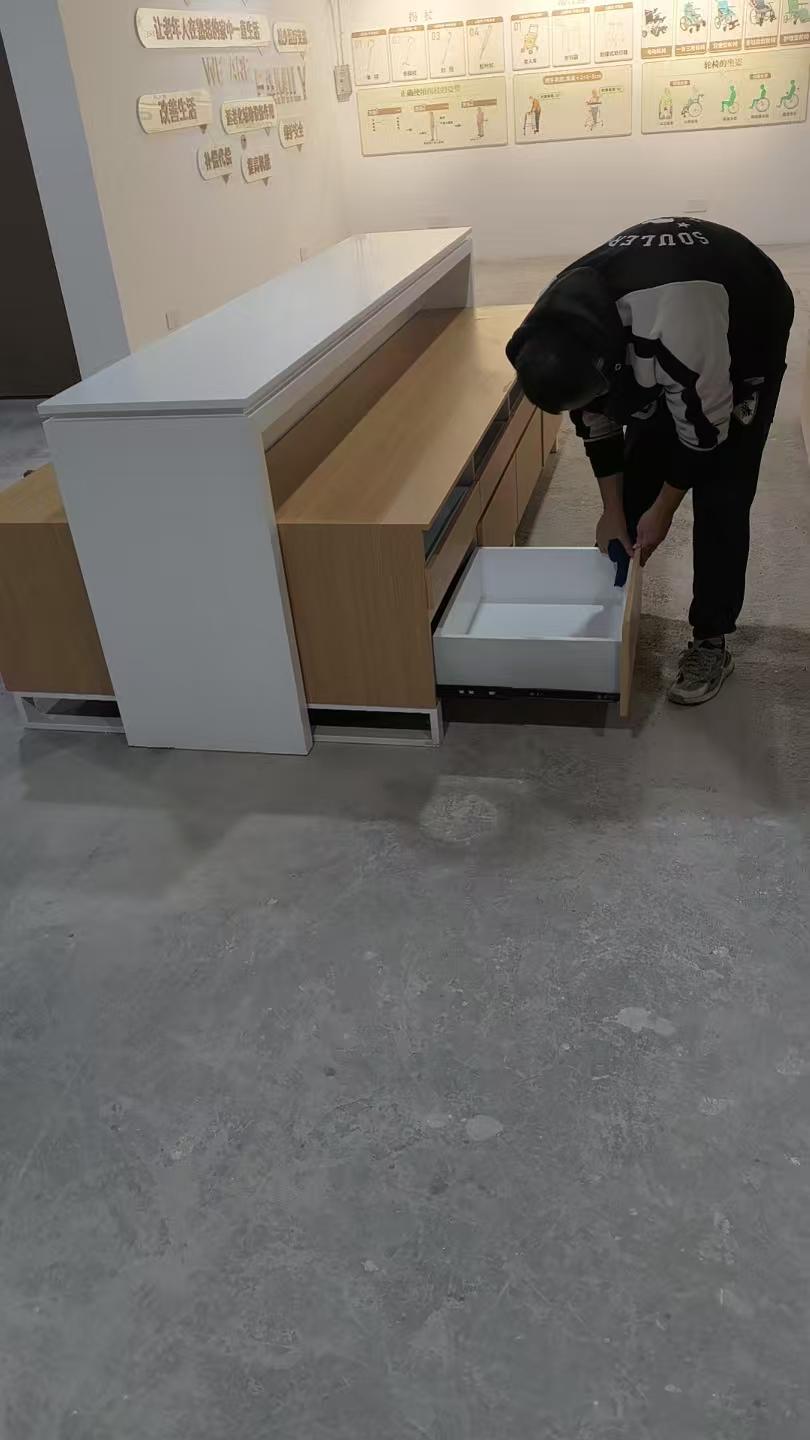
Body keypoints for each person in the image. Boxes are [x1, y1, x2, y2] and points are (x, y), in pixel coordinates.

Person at [505, 217, 794, 705]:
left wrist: (663, 511)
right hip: (657, 332)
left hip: (750, 315)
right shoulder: (557, 326)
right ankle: (619, 602)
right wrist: (612, 512)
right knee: (642, 459)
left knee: (724, 486)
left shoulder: (676, 325)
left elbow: (705, 432)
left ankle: (712, 638)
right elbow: (595, 418)